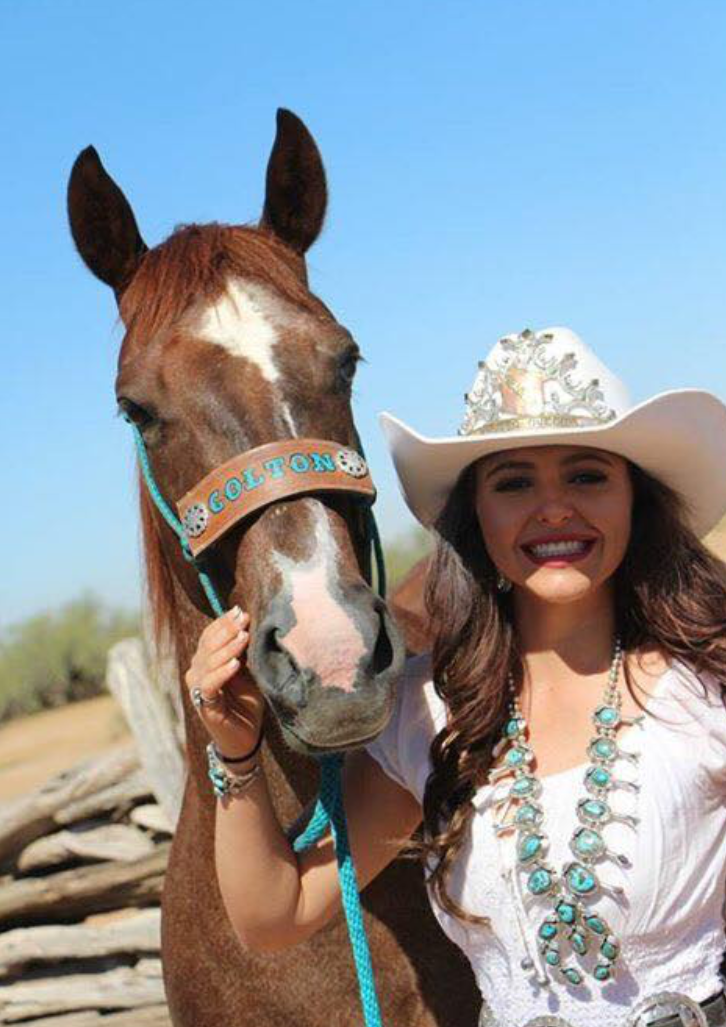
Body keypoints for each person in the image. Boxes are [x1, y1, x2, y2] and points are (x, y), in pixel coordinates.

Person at [185, 327, 726, 1027]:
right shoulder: (431, 714)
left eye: (587, 474)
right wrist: (235, 751)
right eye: (515, 482)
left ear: (634, 496)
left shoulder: (706, 686)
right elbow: (274, 913)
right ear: (477, 513)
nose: (554, 506)